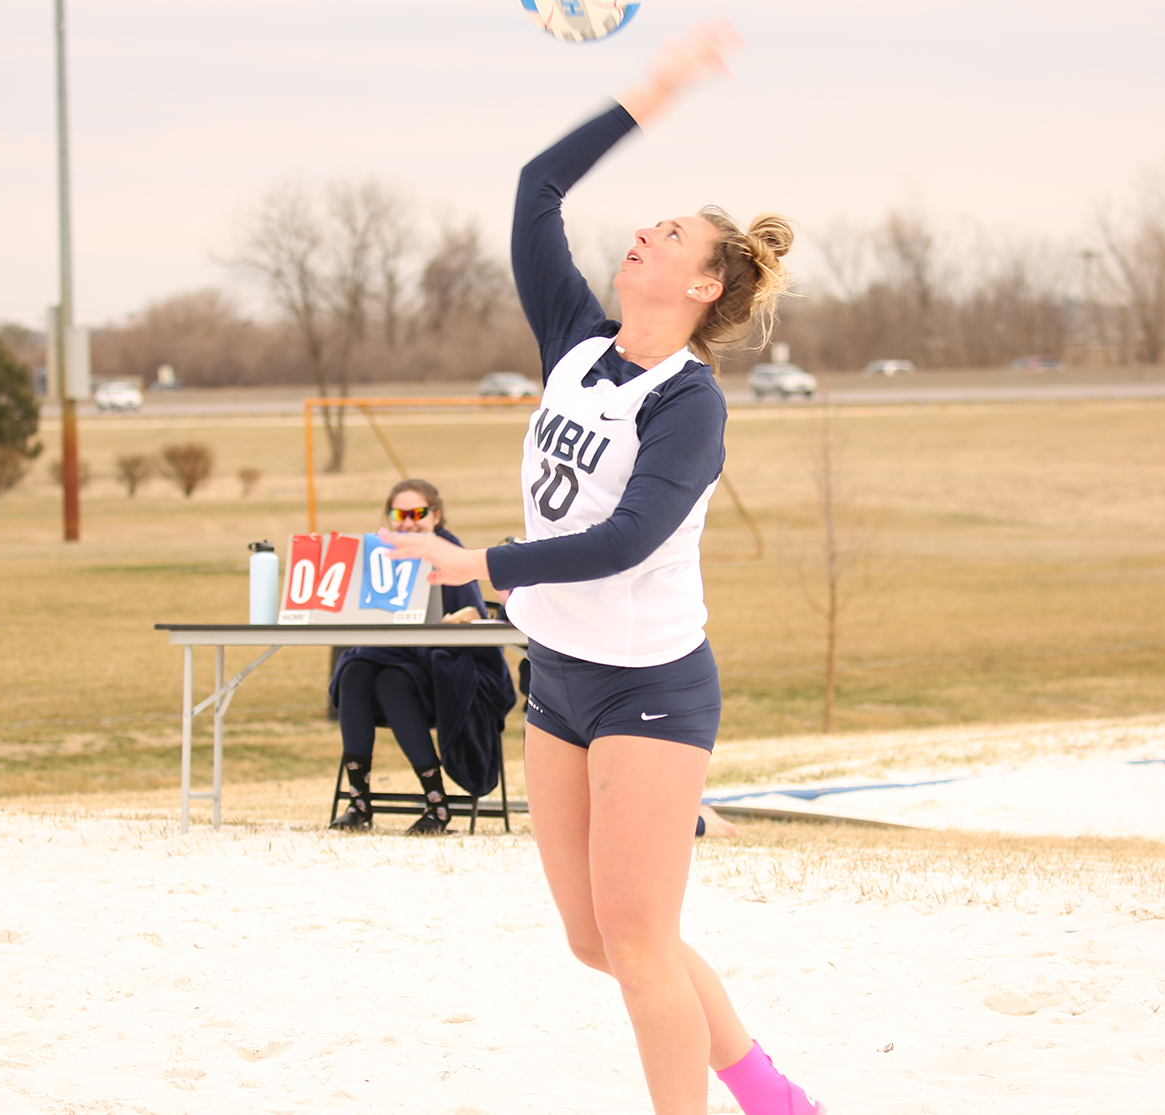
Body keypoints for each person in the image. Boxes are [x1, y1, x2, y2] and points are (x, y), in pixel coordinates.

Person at [381, 23, 824, 1115]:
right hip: (561, 678)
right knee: (602, 940)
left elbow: (625, 539)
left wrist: (475, 559)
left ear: (703, 280)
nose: (639, 231)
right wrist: (656, 87)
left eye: (666, 232)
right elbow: (537, 186)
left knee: (636, 944)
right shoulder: (575, 342)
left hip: (651, 690)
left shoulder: (689, 403)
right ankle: (773, 1095)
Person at [329, 478, 516, 835]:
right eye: (400, 513)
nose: (408, 522)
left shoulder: (450, 554)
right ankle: (358, 803)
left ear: (436, 515)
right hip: (382, 659)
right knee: (354, 670)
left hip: (438, 670)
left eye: (418, 513)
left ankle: (436, 803)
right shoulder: (377, 556)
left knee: (391, 680)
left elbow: (470, 618)